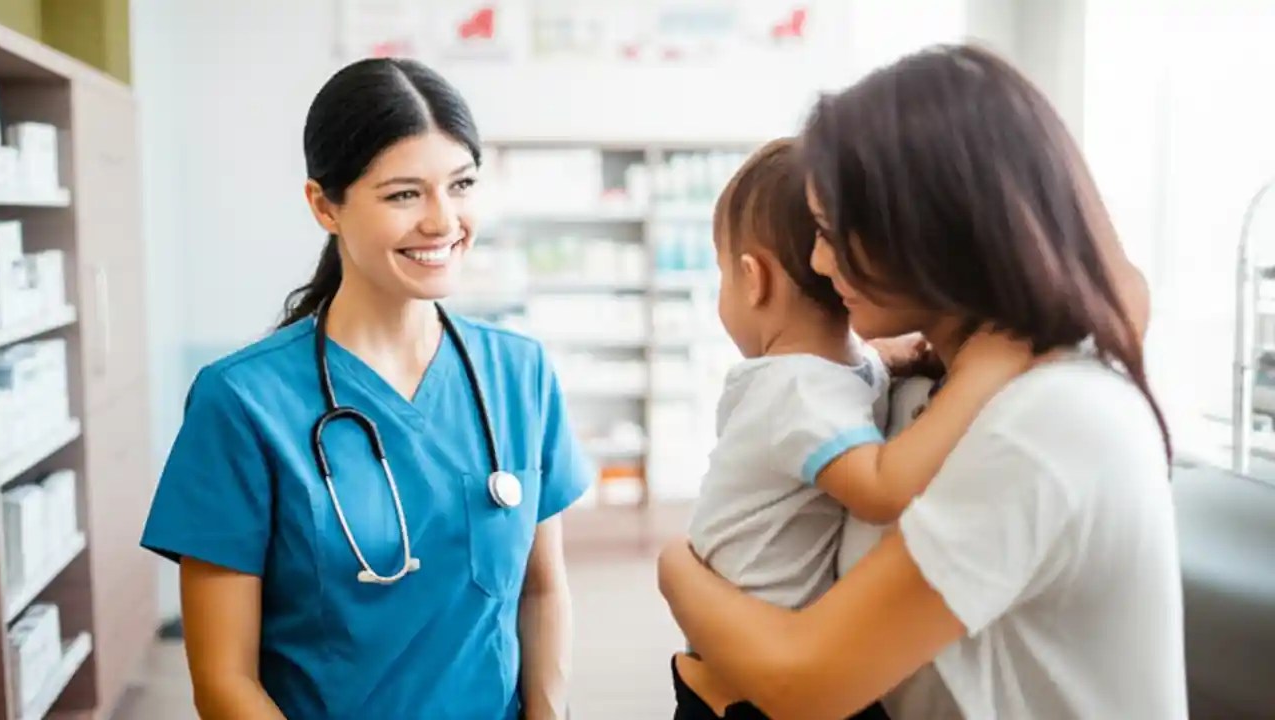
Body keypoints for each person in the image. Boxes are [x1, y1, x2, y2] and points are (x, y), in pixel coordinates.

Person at [659, 44, 1185, 720]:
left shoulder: (1050, 417)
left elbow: (804, 680)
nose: (817, 261)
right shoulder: (929, 389)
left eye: (831, 232)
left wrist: (675, 569)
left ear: (932, 225)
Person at [139, 58, 593, 719]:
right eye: (404, 195)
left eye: (461, 184)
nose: (442, 221)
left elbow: (541, 591)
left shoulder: (519, 374)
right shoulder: (242, 402)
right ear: (325, 206)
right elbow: (223, 680)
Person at [672, 138, 1035, 719]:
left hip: (750, 677)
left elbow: (877, 458)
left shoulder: (804, 383)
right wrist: (973, 370)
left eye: (721, 275)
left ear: (753, 279)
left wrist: (964, 367)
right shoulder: (804, 386)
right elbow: (878, 470)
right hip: (747, 670)